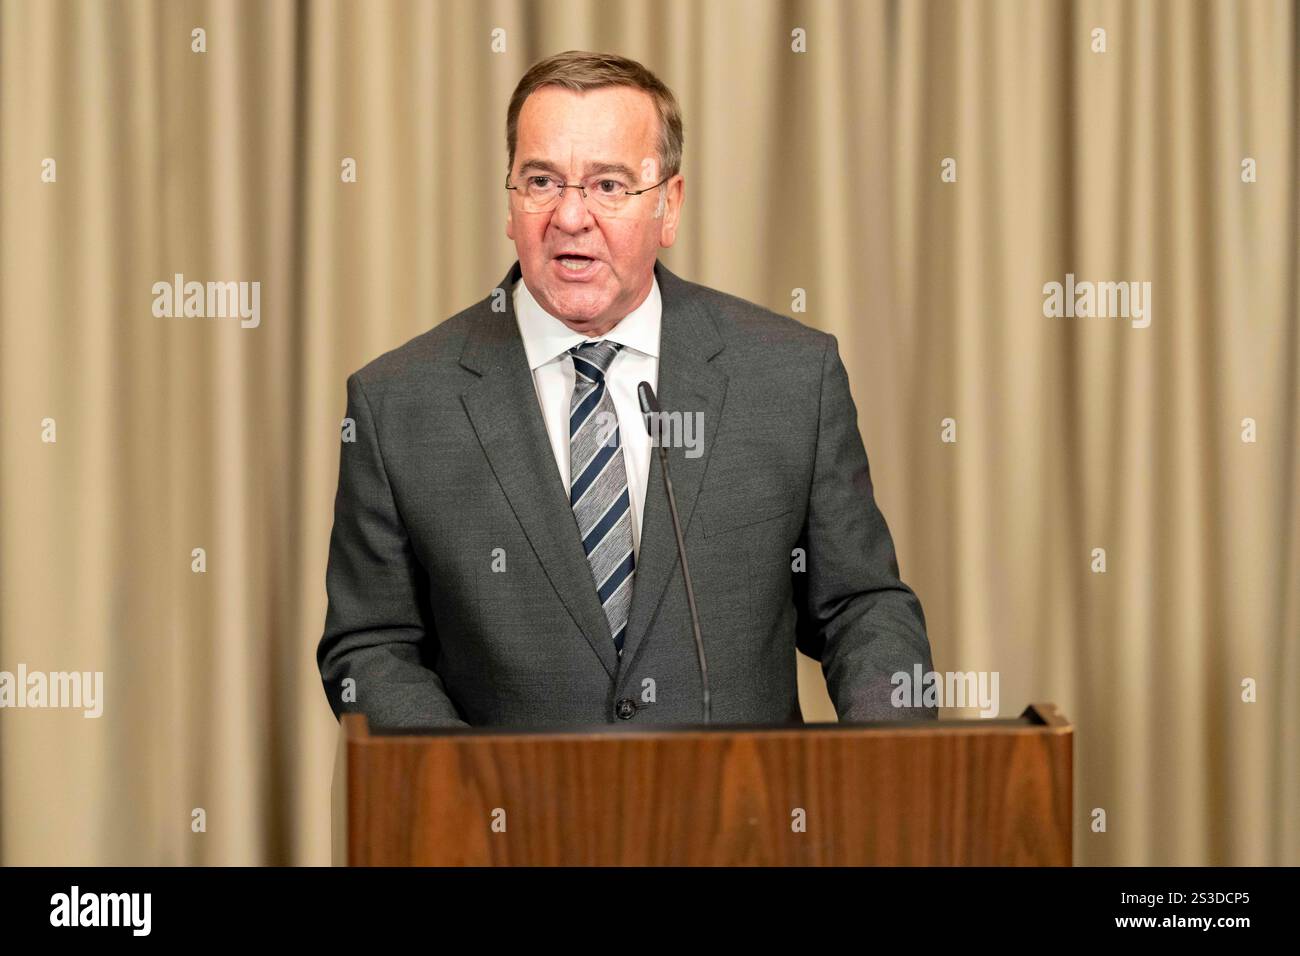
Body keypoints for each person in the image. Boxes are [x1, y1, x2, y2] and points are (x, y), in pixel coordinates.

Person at [317, 50, 935, 728]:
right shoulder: (399, 403)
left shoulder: (789, 375)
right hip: (505, 825)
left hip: (744, 822)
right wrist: (465, 793)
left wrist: (890, 771)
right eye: (542, 181)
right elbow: (372, 646)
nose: (571, 217)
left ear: (668, 206)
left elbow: (860, 606)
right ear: (510, 202)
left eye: (608, 185)